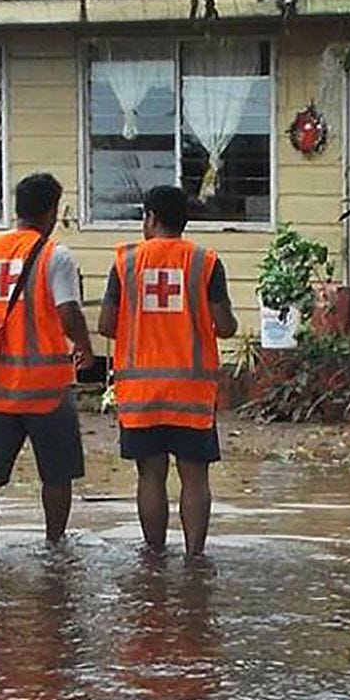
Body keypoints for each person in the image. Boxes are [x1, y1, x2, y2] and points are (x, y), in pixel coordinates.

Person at [0, 171, 94, 552]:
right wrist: (84, 345)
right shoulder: (54, 255)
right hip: (46, 387)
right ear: (51, 211)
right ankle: (55, 544)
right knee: (57, 473)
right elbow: (67, 313)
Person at [95, 182, 239, 556]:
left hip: (141, 394)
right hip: (191, 395)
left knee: (150, 476)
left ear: (151, 217)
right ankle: (194, 558)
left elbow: (106, 325)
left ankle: (154, 556)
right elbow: (225, 326)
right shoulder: (205, 262)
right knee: (195, 478)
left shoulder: (125, 262)